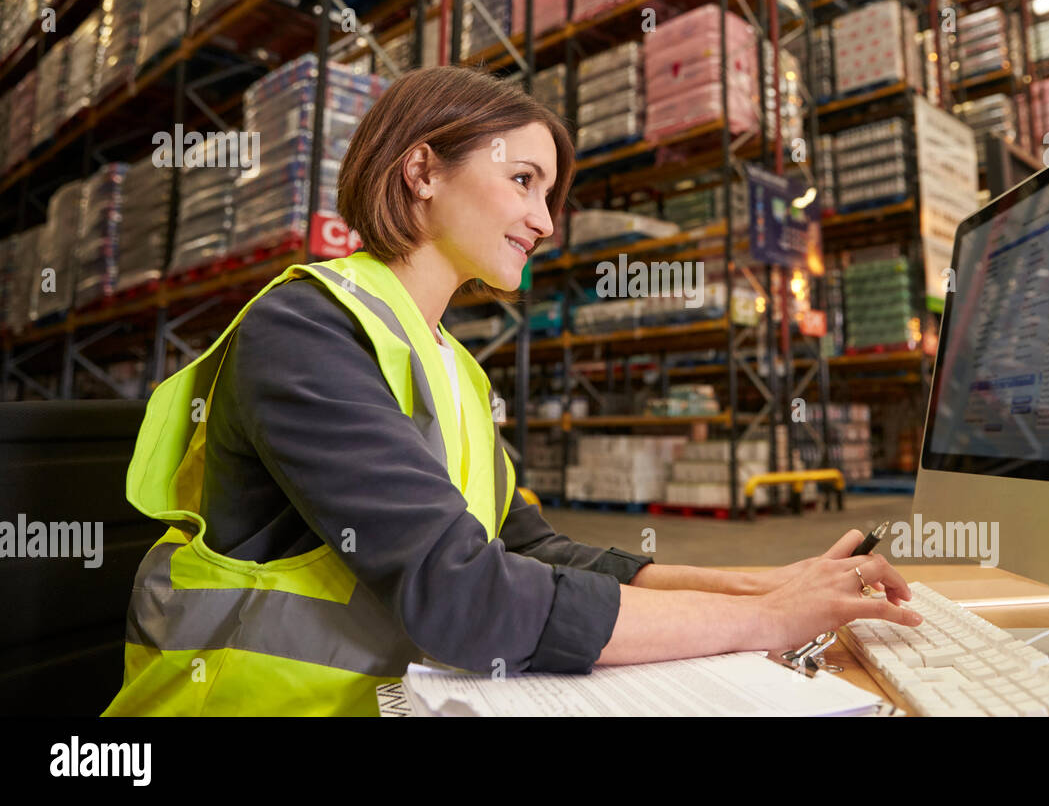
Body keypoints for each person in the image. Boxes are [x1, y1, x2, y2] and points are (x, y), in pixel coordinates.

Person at [104, 66, 921, 716]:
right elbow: (464, 593)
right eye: (524, 180)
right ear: (422, 169)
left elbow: (533, 552)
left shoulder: (450, 365)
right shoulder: (304, 330)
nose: (546, 221)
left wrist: (768, 582)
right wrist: (767, 623)